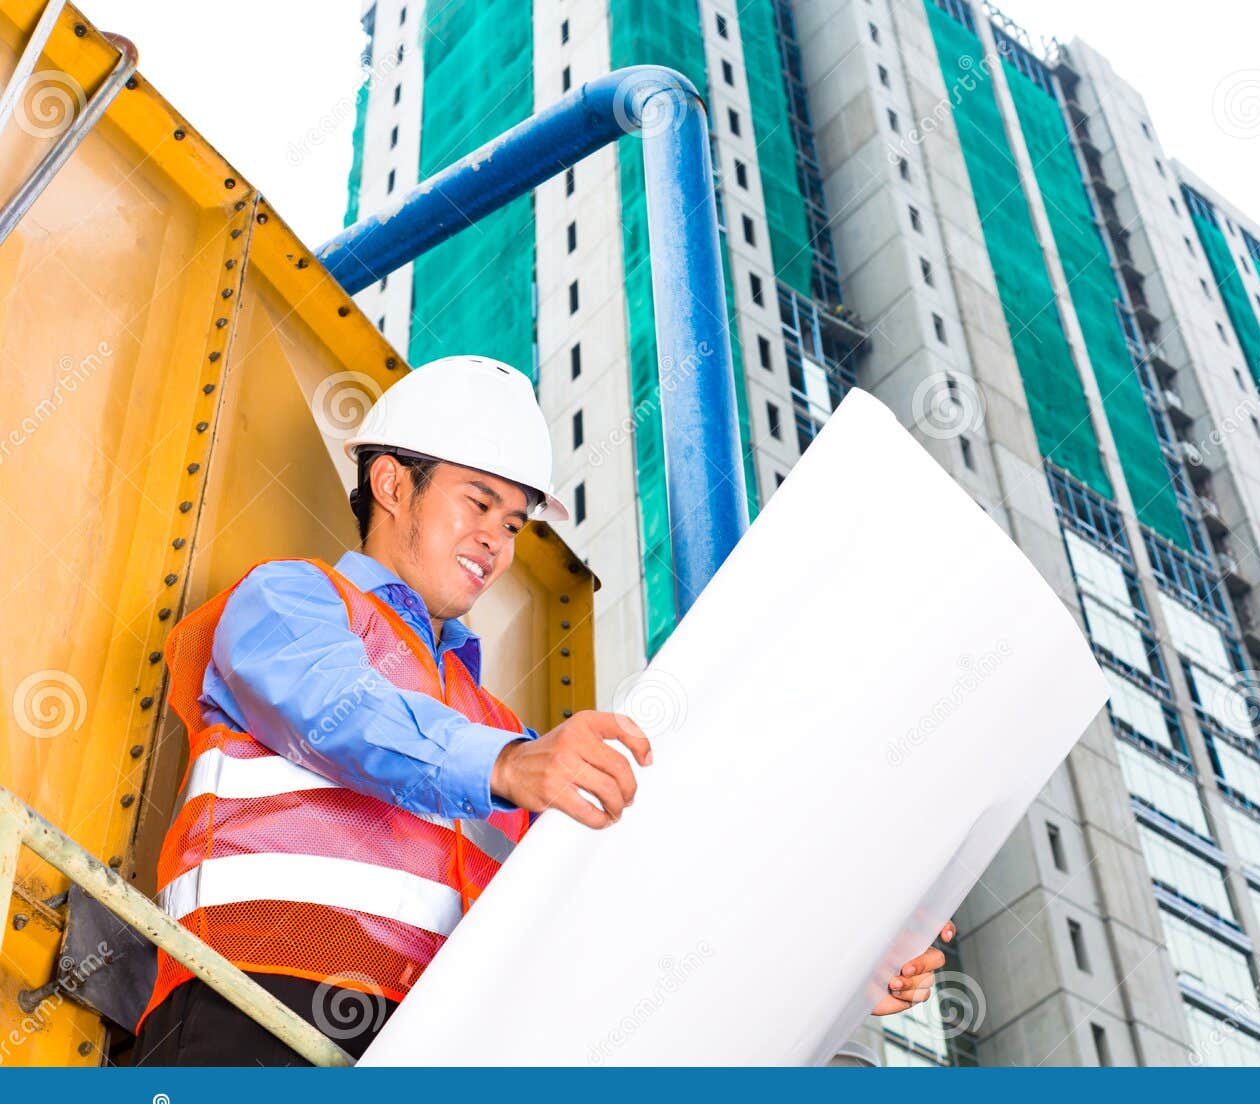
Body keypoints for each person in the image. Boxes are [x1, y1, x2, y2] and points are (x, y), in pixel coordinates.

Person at [129, 355, 950, 1065]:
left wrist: (839, 964)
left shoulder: (493, 723)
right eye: (477, 502)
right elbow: (338, 711)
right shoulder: (294, 600)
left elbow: (623, 895)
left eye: (514, 521)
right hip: (243, 1010)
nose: (497, 538)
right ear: (388, 482)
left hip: (425, 1057)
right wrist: (511, 765)